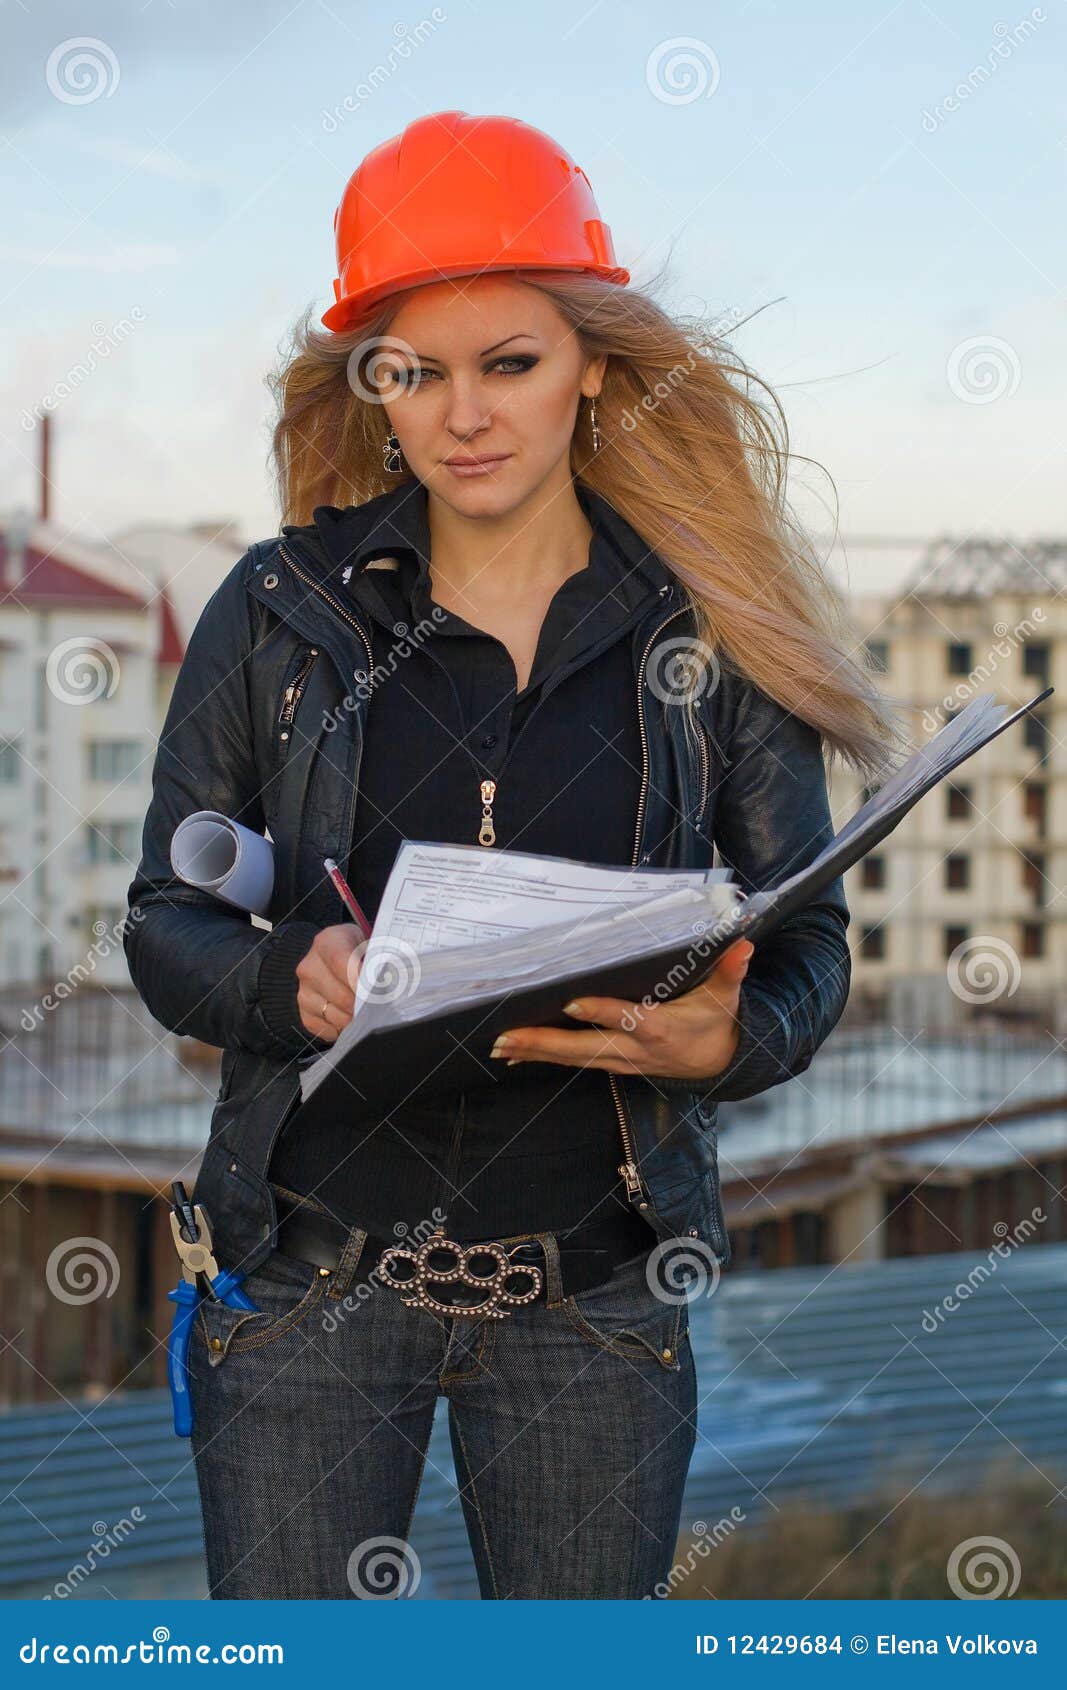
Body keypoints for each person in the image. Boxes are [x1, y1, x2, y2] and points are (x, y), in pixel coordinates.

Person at [124, 110, 900, 1600]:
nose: (462, 413)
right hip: (305, 1291)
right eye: (416, 372)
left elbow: (812, 947)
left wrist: (733, 1033)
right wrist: (296, 977)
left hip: (598, 1302)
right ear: (378, 385)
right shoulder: (278, 611)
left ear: (591, 365)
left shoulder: (705, 631)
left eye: (511, 363)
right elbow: (165, 920)